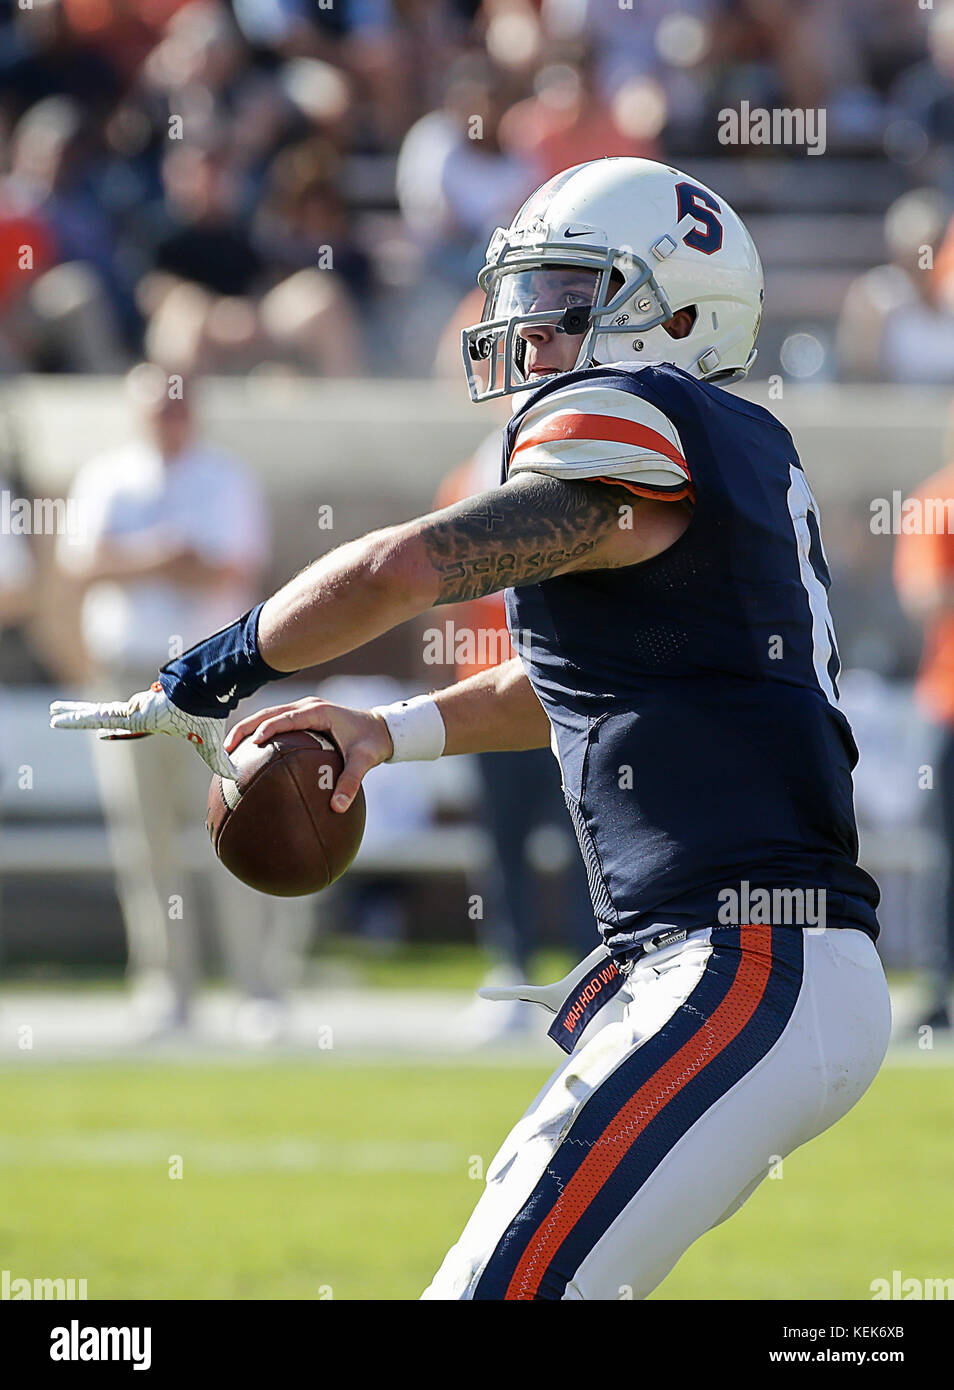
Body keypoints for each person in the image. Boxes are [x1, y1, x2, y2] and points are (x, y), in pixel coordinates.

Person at [51, 158, 891, 1299]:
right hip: (744, 965)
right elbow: (585, 685)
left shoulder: (641, 421)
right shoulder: (718, 460)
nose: (528, 328)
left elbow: (404, 567)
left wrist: (214, 668)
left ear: (679, 317)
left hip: (742, 964)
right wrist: (390, 731)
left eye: (567, 296)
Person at [56, 363, 287, 1039]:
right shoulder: (108, 476)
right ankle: (165, 986)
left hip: (207, 680)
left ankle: (256, 985)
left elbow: (230, 566)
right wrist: (162, 557)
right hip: (126, 676)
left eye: (177, 407)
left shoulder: (225, 477)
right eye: (157, 408)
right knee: (146, 838)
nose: (168, 419)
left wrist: (135, 560)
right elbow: (81, 565)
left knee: (229, 827)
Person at [893, 460, 954, 1031]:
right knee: (945, 854)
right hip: (950, 700)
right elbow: (926, 592)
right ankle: (940, 988)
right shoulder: (941, 499)